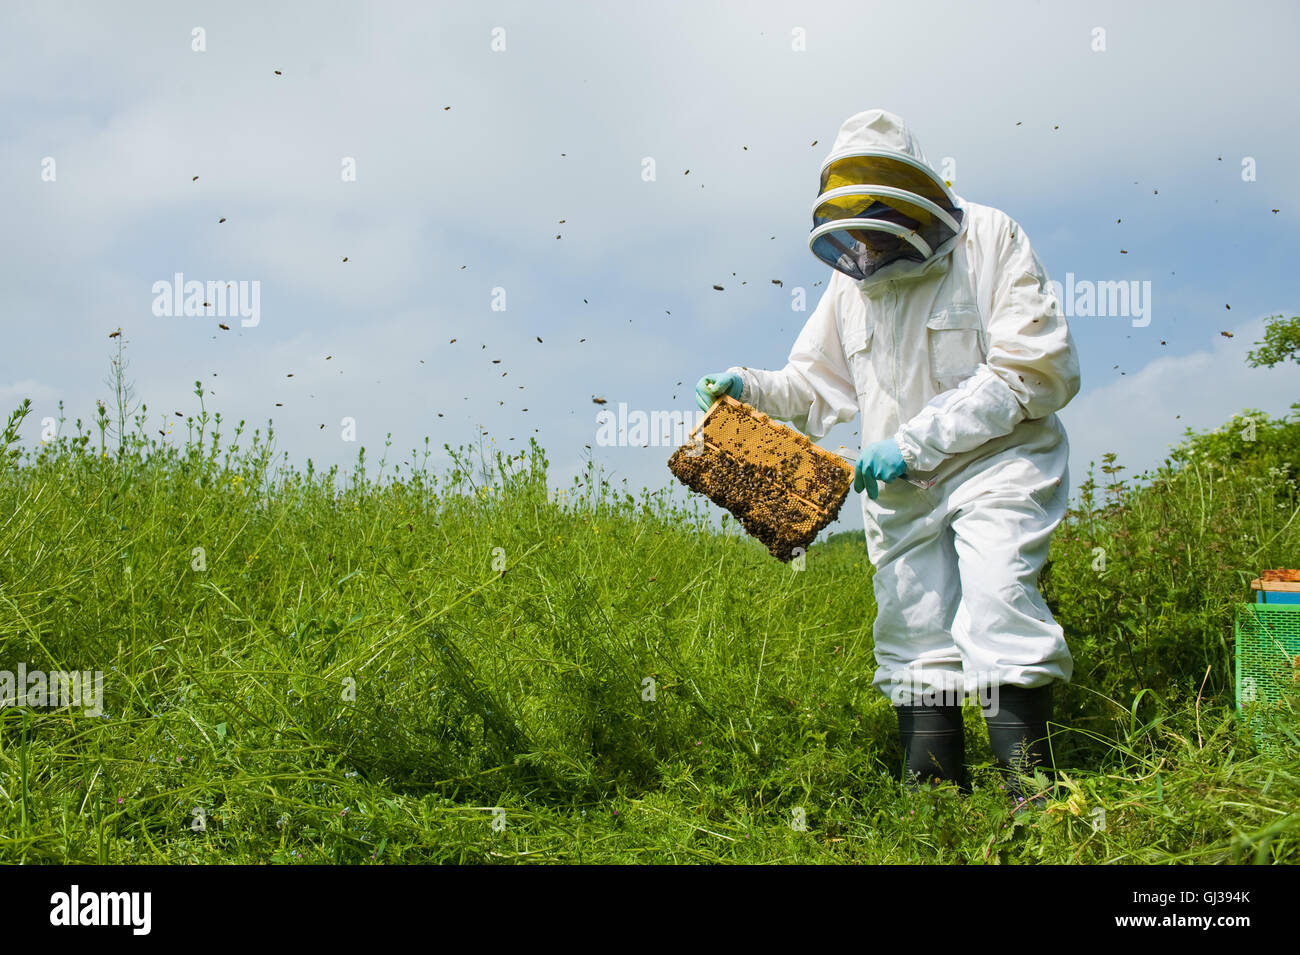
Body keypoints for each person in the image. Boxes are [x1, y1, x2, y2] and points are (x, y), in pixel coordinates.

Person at [695, 109, 1081, 804]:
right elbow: (813, 381)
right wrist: (747, 386)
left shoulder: (989, 240)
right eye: (856, 224)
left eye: (876, 216)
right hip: (901, 490)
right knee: (910, 623)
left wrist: (912, 440)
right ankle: (936, 798)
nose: (867, 238)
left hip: (996, 465)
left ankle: (1032, 792)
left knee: (998, 601)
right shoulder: (854, 284)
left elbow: (1035, 370)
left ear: (911, 194)